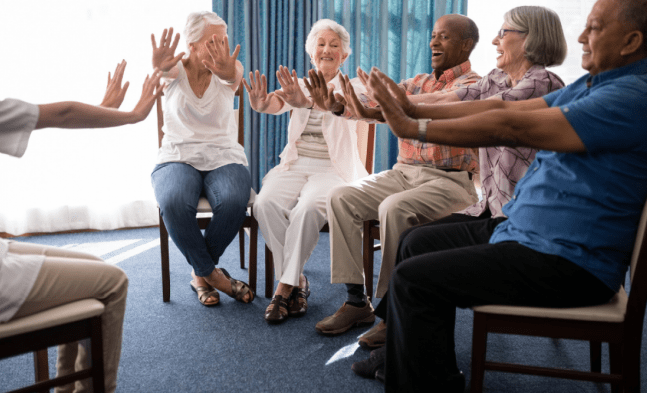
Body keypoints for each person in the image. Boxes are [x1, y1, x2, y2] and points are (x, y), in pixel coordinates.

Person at [365, 0, 647, 390]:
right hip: (529, 232)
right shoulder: (597, 84)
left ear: (631, 41)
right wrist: (409, 108)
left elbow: (510, 126)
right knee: (416, 242)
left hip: (568, 261)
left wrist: (413, 127)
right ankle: (419, 365)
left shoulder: (631, 98)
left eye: (593, 28)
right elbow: (494, 107)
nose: (580, 37)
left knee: (412, 280)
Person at [344, 5, 567, 354]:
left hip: (520, 220)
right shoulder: (495, 79)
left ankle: (401, 346)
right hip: (491, 209)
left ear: (530, 40)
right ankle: (397, 337)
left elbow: (492, 117)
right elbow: (448, 98)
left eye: (504, 32)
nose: (494, 40)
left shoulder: (543, 83)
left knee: (419, 251)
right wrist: (391, 106)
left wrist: (409, 117)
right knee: (414, 240)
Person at [0, 51, 163, 393]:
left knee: (93, 268)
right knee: (113, 283)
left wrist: (103, 107)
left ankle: (65, 388)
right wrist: (131, 116)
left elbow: (41, 120)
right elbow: (63, 113)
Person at [313, 13, 482, 336]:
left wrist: (391, 105)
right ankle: (356, 302)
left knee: (395, 207)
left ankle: (393, 312)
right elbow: (371, 102)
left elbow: (419, 105)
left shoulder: (474, 86)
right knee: (340, 197)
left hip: (451, 181)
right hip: (403, 173)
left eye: (444, 37)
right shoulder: (416, 81)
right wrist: (336, 105)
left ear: (466, 45)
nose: (433, 41)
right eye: (433, 35)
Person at [243, 19, 369, 324]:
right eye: (321, 44)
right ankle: (297, 279)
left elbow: (340, 104)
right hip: (296, 163)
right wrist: (261, 103)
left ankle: (284, 288)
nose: (326, 49)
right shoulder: (296, 85)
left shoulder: (355, 87)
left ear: (344, 56)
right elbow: (275, 102)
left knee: (307, 208)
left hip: (334, 169)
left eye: (334, 45)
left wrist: (309, 102)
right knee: (264, 203)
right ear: (312, 53)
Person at [150, 11, 254, 307]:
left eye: (224, 41)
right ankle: (216, 277)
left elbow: (230, 76)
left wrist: (226, 68)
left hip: (224, 156)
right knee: (172, 202)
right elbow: (164, 73)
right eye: (213, 41)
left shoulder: (229, 68)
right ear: (192, 45)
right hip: (177, 157)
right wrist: (158, 67)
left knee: (234, 200)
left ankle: (200, 275)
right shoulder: (175, 71)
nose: (221, 47)